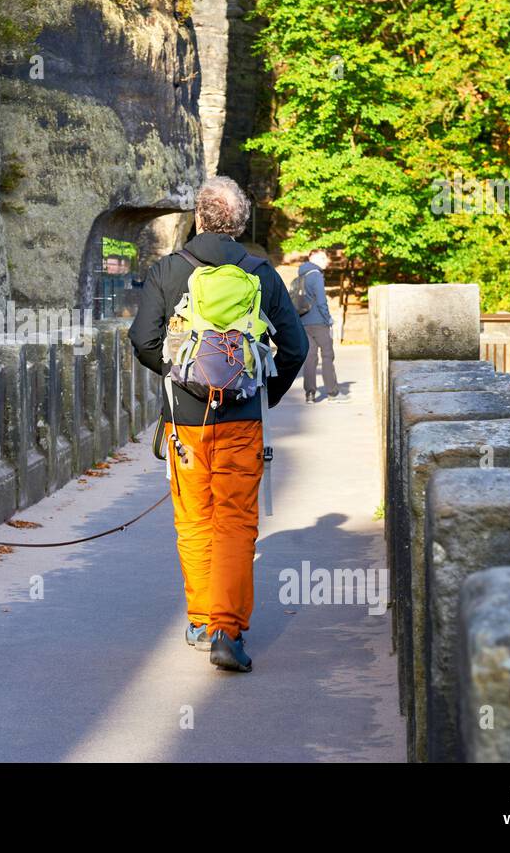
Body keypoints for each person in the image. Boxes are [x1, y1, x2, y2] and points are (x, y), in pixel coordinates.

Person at [129, 177, 307, 672]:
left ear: (200, 218)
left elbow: (142, 341)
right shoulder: (261, 274)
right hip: (242, 423)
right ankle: (227, 633)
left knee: (194, 520)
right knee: (235, 520)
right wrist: (259, 395)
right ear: (239, 223)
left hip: (185, 424)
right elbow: (295, 349)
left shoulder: (168, 270)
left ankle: (202, 619)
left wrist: (178, 378)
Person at [297, 249, 339, 403]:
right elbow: (321, 301)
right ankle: (332, 392)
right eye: (323, 258)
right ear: (314, 258)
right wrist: (328, 319)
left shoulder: (301, 274)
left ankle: (309, 393)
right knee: (328, 355)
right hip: (319, 323)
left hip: (303, 322)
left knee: (310, 357)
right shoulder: (316, 275)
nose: (326, 261)